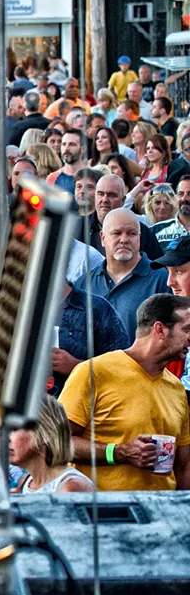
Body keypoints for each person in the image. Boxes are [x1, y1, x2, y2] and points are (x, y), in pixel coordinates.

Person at [59, 294, 190, 491]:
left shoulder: (176, 388)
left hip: (162, 514)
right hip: (103, 513)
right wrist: (119, 452)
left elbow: (183, 466)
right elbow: (56, 442)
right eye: (187, 329)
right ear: (160, 329)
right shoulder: (94, 372)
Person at [80, 208, 169, 344]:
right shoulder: (84, 284)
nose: (124, 240)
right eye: (116, 233)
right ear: (103, 238)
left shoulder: (162, 280)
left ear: (139, 238)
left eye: (131, 233)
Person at [10, 396, 94, 494]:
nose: (5, 437)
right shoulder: (26, 481)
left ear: (45, 433)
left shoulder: (71, 487)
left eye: (14, 429)